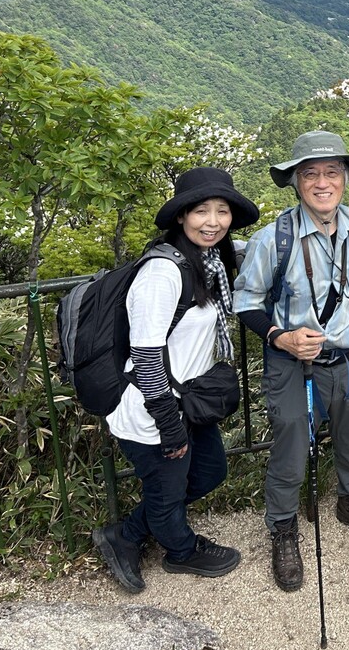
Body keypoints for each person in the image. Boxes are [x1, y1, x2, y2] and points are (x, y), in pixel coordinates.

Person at [233, 130, 349, 594]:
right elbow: (246, 301)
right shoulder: (275, 239)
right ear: (296, 183)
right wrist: (280, 337)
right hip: (294, 363)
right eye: (311, 174)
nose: (322, 183)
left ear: (344, 178)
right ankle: (283, 528)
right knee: (290, 441)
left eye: (331, 172)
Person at [91, 167, 260, 593]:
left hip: (188, 400)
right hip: (155, 407)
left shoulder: (208, 262)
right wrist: (169, 425)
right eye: (201, 210)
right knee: (167, 491)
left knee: (210, 471)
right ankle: (180, 550)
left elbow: (253, 247)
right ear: (181, 216)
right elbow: (146, 355)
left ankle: (126, 534)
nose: (213, 221)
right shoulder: (162, 274)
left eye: (222, 211)